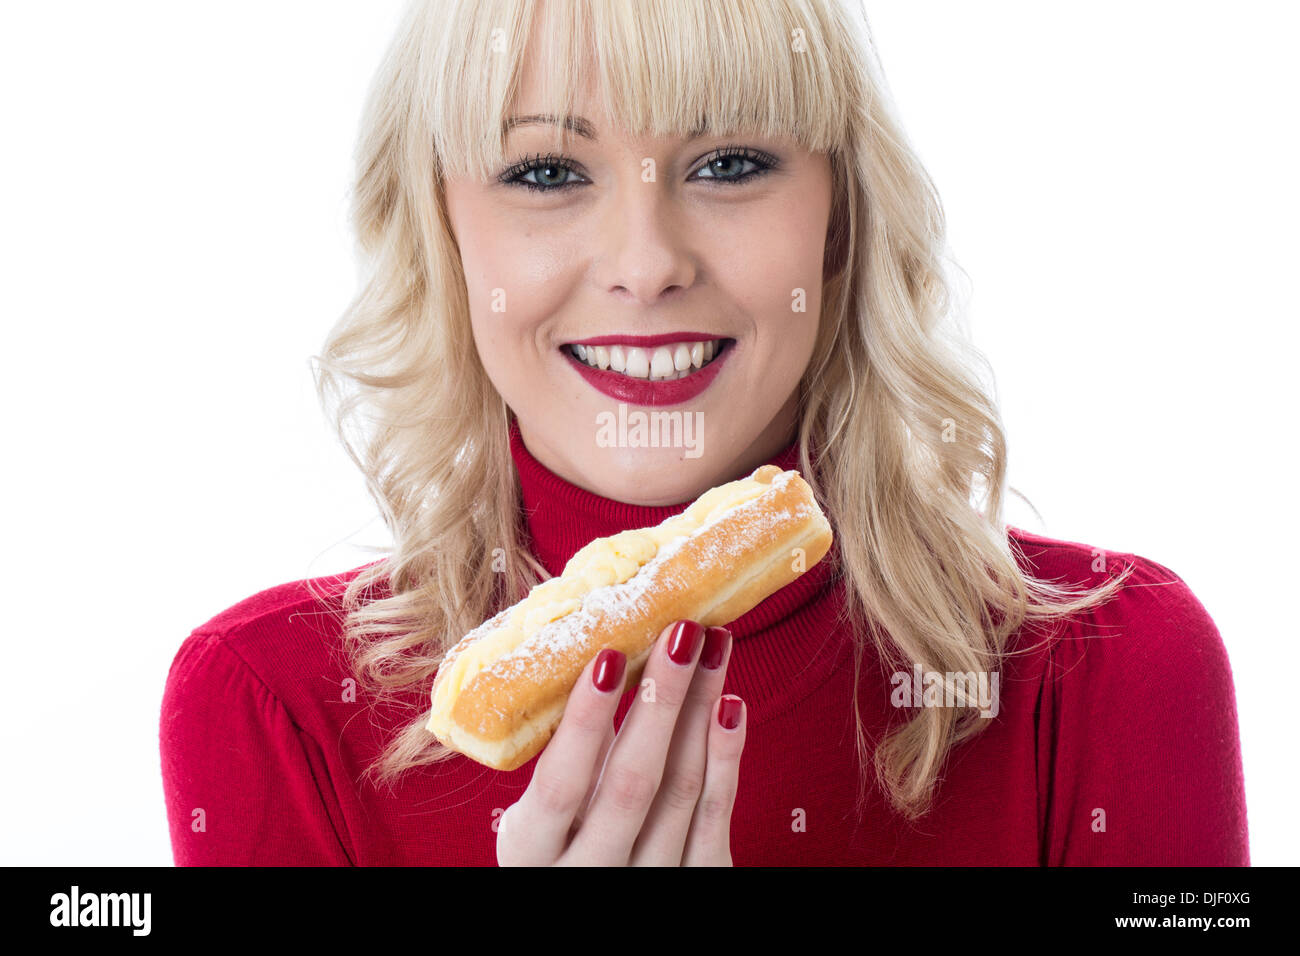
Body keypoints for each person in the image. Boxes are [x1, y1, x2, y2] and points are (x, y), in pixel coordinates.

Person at [159, 0, 1249, 866]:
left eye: (728, 164)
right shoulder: (272, 709)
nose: (646, 265)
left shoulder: (1110, 671)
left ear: (838, 223)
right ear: (440, 232)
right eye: (547, 172)